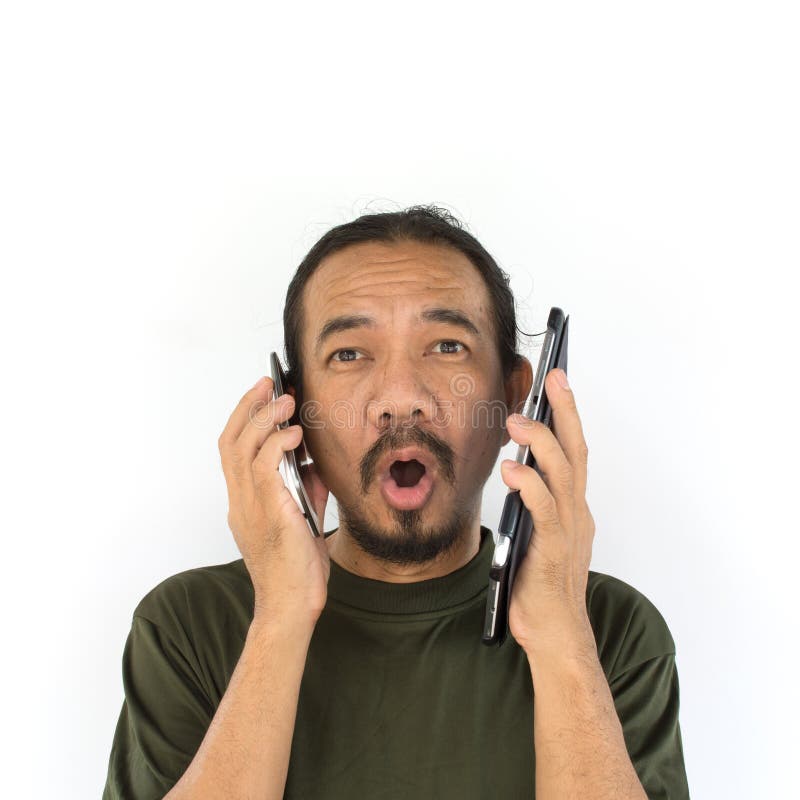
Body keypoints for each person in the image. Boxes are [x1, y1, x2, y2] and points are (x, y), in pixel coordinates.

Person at [102, 205, 690, 799]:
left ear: (515, 398)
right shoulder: (190, 627)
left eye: (447, 346)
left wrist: (563, 641)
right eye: (349, 354)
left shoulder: (610, 631)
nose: (401, 397)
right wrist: (281, 616)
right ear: (295, 411)